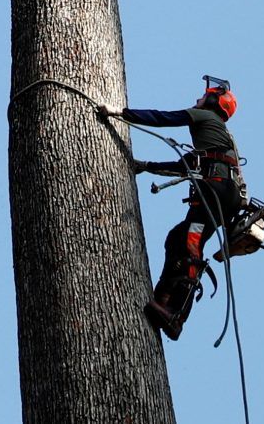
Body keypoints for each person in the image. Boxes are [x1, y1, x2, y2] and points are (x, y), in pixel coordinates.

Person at [104, 76, 247, 339]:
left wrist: (120, 113)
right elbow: (185, 165)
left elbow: (164, 118)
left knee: (190, 241)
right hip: (224, 194)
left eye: (204, 97)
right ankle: (165, 298)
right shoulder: (213, 142)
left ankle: (177, 314)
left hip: (217, 190)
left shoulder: (205, 117)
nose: (197, 100)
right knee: (178, 237)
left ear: (214, 101)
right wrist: (146, 166)